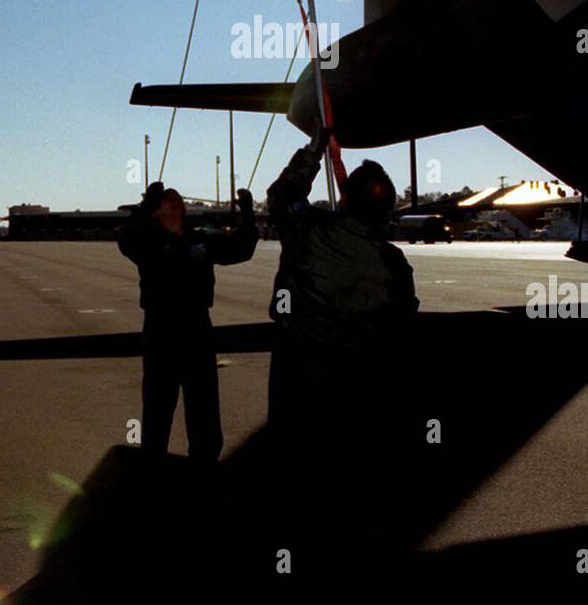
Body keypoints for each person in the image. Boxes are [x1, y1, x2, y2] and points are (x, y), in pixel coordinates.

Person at [266, 126, 419, 460]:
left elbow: (281, 196)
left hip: (297, 366)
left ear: (346, 198)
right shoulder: (393, 262)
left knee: (289, 453)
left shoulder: (308, 228)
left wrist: (313, 152)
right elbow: (403, 321)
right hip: (357, 376)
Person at [118, 182, 258, 461]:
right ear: (157, 210)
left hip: (197, 329)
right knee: (158, 411)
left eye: (178, 198)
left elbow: (241, 249)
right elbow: (125, 238)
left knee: (204, 411)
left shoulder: (201, 240)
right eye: (168, 199)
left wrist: (247, 214)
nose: (177, 202)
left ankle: (204, 474)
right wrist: (146, 206)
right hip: (161, 331)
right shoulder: (148, 242)